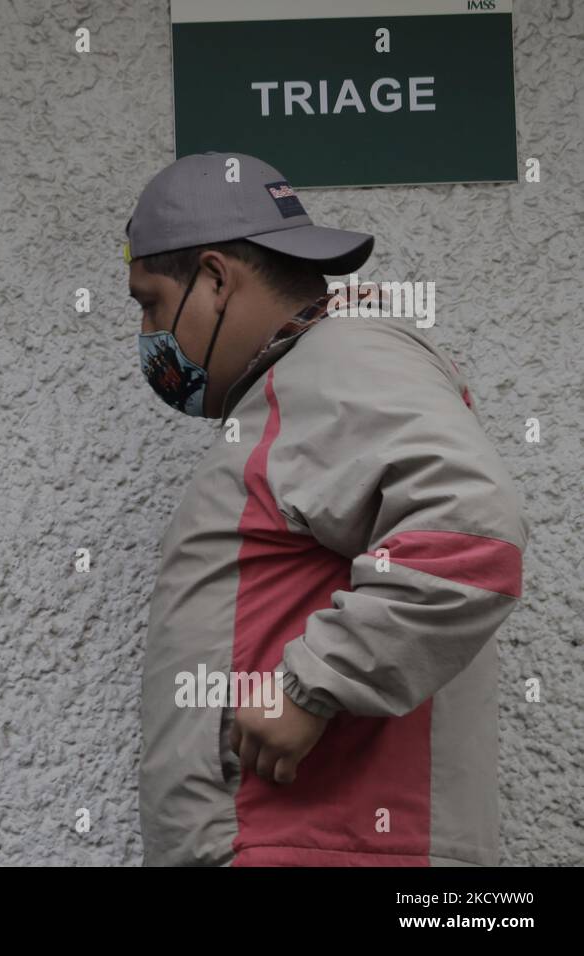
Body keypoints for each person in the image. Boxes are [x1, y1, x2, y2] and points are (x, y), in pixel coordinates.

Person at [126, 153, 528, 866]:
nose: (150, 334)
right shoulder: (301, 381)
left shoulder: (340, 357)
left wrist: (310, 684)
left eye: (151, 302)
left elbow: (471, 531)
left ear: (216, 280)